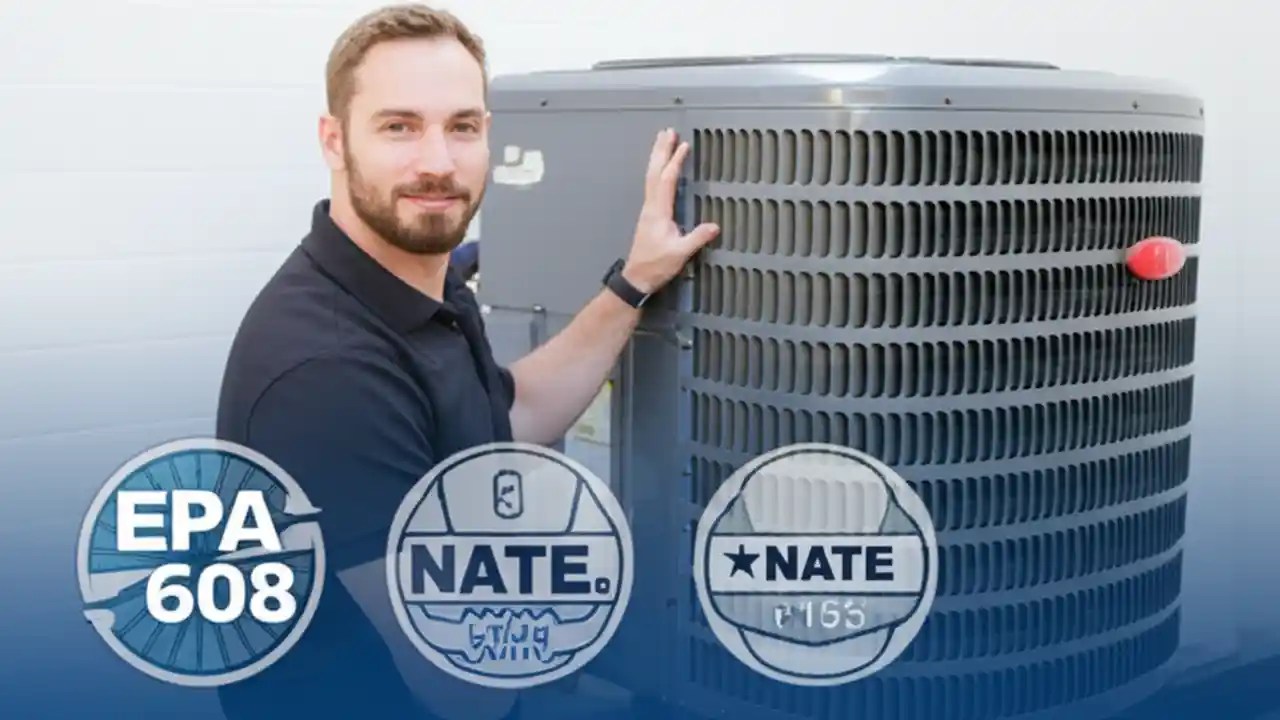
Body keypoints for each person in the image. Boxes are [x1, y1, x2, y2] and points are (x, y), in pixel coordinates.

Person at [213, 3, 719, 719]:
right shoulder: (326, 372)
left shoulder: (425, 283)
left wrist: (633, 282)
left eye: (462, 126)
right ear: (334, 141)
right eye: (399, 126)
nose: (437, 162)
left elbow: (509, 416)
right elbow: (460, 680)